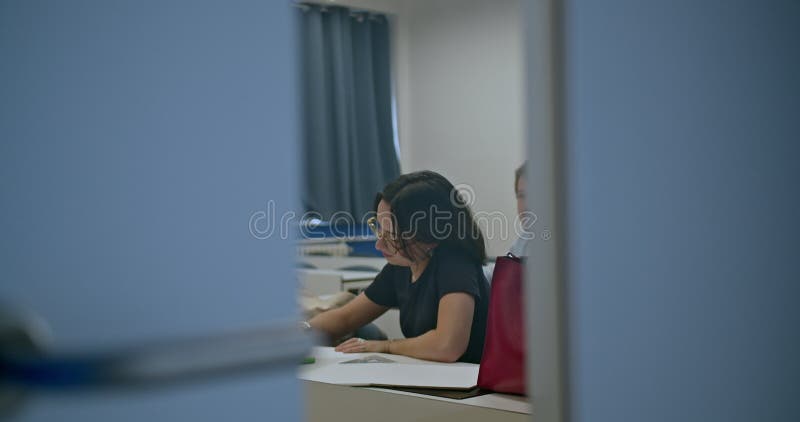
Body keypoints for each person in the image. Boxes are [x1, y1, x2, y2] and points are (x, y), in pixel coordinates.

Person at [306, 171, 490, 363]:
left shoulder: (456, 264)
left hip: (469, 385)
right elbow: (345, 318)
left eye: (392, 236)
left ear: (431, 236)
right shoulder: (403, 265)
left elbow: (447, 346)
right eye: (378, 229)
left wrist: (386, 346)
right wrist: (300, 332)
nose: (379, 245)